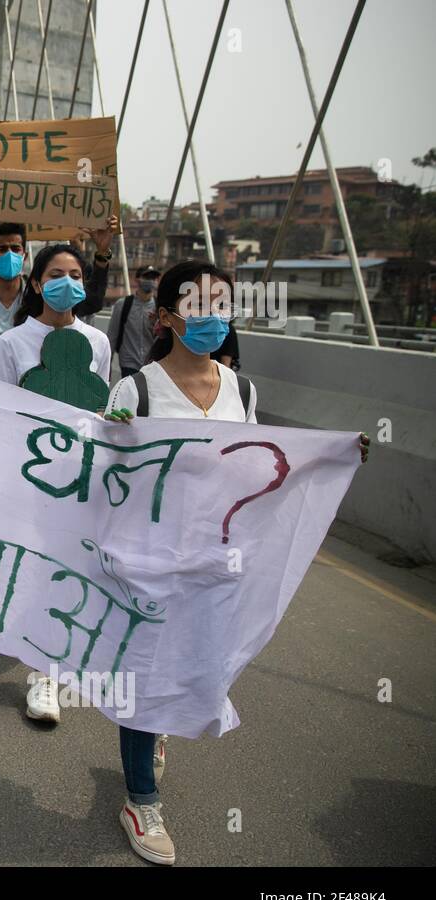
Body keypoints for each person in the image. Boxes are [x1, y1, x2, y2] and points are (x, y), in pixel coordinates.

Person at [102, 258, 370, 864]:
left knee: (197, 664)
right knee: (142, 679)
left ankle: (159, 727)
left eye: (222, 303)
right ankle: (140, 802)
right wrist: (108, 437)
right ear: (166, 316)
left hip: (216, 562)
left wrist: (334, 454)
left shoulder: (243, 390)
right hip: (148, 561)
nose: (213, 316)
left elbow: (262, 465)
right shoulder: (135, 389)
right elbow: (105, 478)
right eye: (198, 304)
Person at [0, 242, 111, 725]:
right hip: (26, 475)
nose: (67, 282)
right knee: (32, 568)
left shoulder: (96, 343)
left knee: (67, 570)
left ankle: (47, 672)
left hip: (79, 474)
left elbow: (98, 404)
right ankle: (34, 659)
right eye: (56, 273)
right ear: (36, 284)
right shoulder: (11, 344)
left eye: (75, 273)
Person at [0, 205, 117, 374]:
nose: (10, 254)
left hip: (25, 395)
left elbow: (92, 301)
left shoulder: (42, 297)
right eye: (2, 249)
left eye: (15, 248)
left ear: (24, 255)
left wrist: (102, 253)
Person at [106, 264, 160, 380]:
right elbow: (112, 336)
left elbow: (163, 339)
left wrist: (157, 324)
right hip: (128, 363)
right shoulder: (123, 305)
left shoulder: (159, 307)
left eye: (153, 278)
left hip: (152, 364)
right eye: (147, 277)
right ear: (137, 279)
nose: (150, 281)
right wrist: (107, 365)